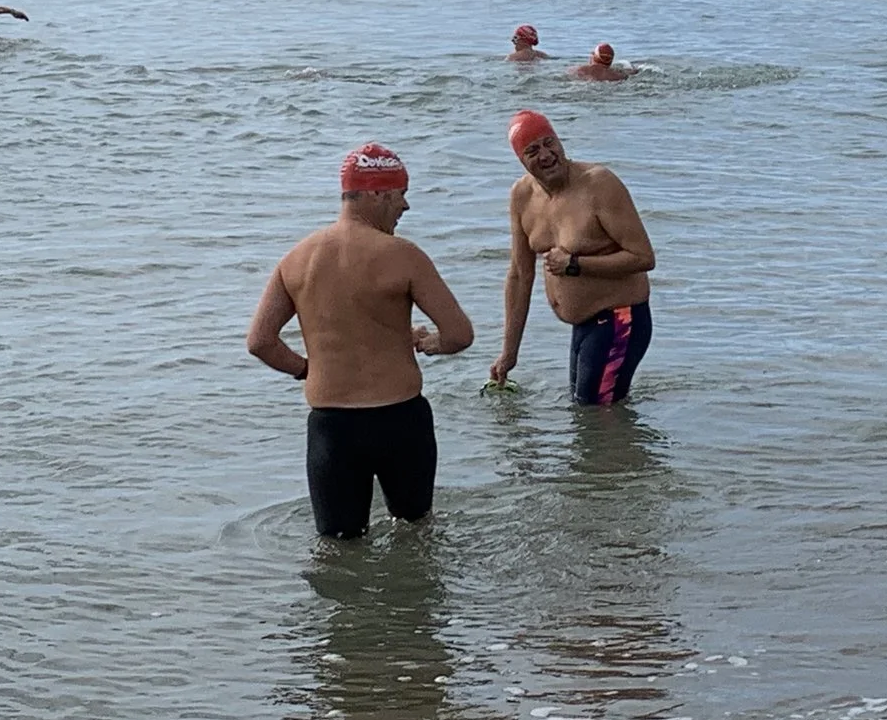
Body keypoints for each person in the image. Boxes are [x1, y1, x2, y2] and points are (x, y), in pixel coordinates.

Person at [247, 144, 475, 540]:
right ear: (378, 194)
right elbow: (460, 335)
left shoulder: (297, 259)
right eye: (401, 194)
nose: (405, 206)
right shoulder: (403, 256)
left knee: (339, 547)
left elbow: (260, 341)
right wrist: (425, 343)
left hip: (331, 429)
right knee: (415, 536)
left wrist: (308, 369)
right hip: (400, 421)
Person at [491, 111, 657, 405]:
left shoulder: (599, 184)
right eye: (532, 150)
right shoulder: (521, 196)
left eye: (549, 143)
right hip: (584, 326)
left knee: (595, 412)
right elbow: (519, 275)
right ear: (521, 160)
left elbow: (643, 257)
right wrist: (509, 352)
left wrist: (577, 265)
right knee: (589, 411)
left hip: (622, 318)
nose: (546, 155)